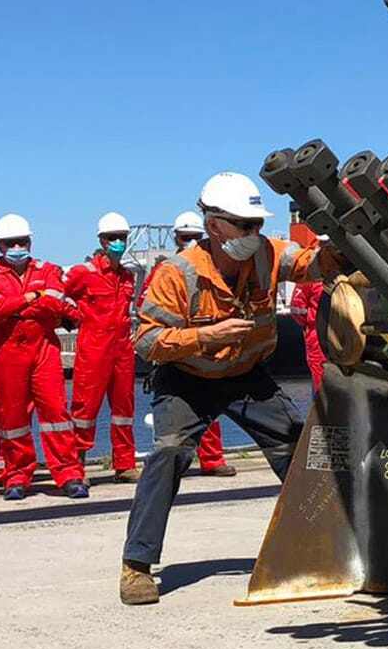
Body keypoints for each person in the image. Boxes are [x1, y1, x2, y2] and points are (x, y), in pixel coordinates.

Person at [119, 173, 343, 605]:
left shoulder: (268, 254)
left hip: (246, 375)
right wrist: (207, 337)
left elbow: (314, 265)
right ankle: (136, 566)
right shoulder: (177, 274)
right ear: (214, 225)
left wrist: (340, 245)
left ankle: (335, 543)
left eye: (257, 224)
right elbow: (145, 342)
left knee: (298, 450)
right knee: (167, 456)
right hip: (187, 379)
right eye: (244, 225)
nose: (253, 233)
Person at [0, 214, 87, 501]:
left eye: (21, 241)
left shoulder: (49, 269)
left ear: (30, 242)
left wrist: (17, 307)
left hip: (43, 349)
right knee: (12, 417)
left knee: (56, 414)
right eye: (10, 242)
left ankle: (69, 474)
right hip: (6, 352)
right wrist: (31, 298)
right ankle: (16, 476)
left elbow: (55, 303)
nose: (16, 247)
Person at [152, 213, 235, 477]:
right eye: (185, 237)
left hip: (206, 348)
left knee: (210, 410)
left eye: (195, 237)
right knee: (177, 420)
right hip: (178, 351)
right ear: (176, 237)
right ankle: (173, 466)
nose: (190, 242)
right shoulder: (166, 270)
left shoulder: (212, 267)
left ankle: (212, 459)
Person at [66, 213, 141, 483]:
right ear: (101, 240)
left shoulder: (128, 276)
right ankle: (76, 466)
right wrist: (72, 317)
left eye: (122, 238)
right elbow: (60, 295)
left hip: (122, 349)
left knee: (124, 409)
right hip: (93, 349)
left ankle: (125, 464)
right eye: (113, 238)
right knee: (85, 409)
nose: (118, 242)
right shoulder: (83, 274)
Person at [287, 274, 326, 393]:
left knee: (321, 376)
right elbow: (297, 309)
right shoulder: (309, 277)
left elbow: (297, 309)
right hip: (348, 336)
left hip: (317, 335)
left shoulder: (309, 278)